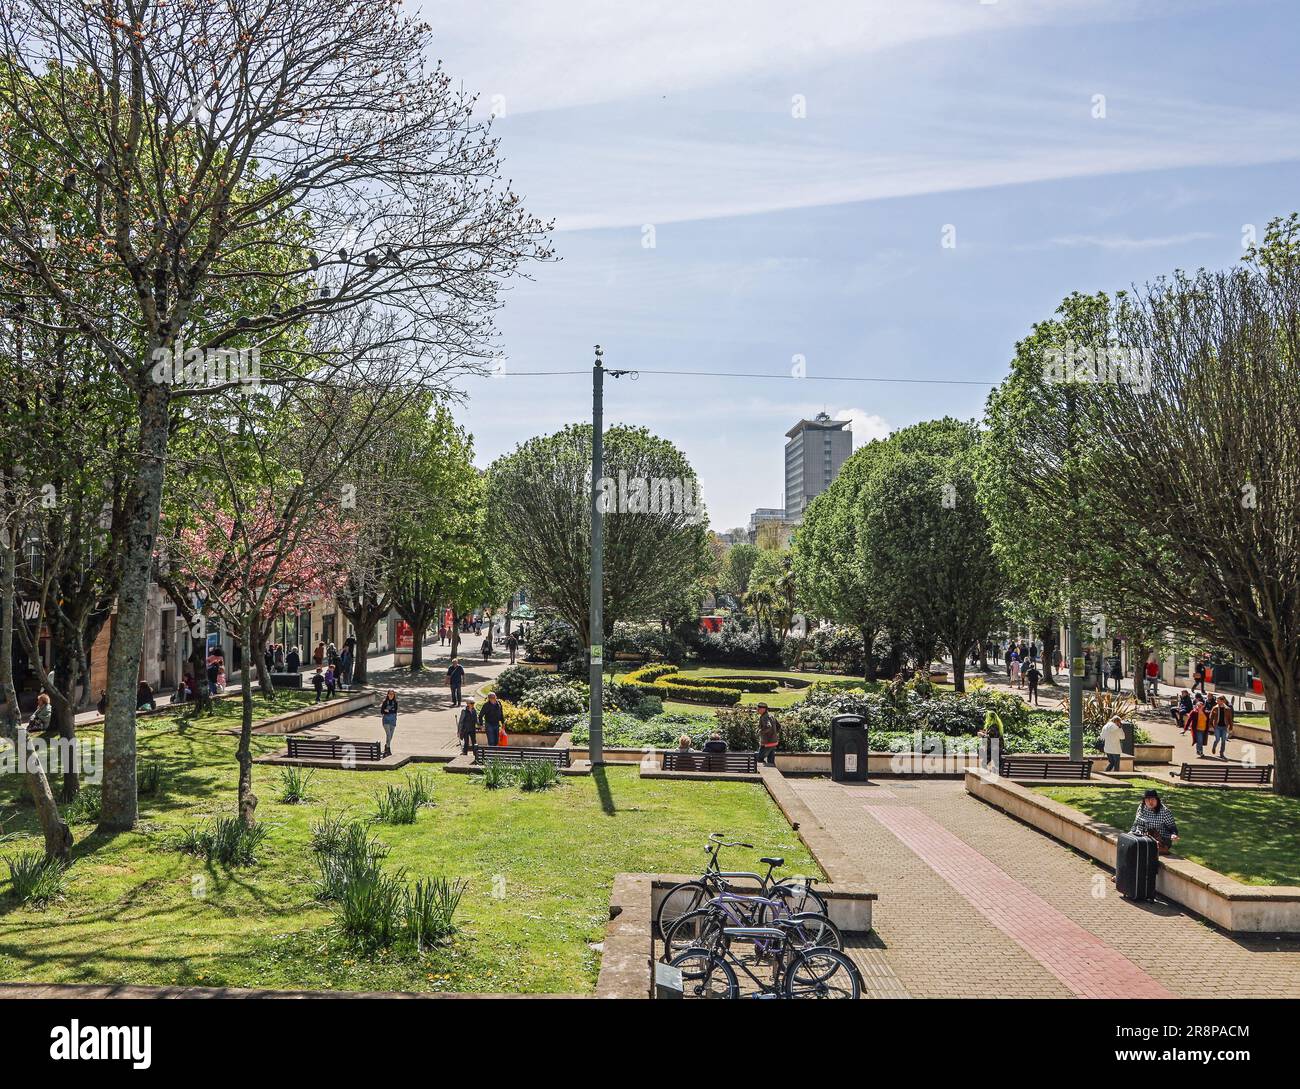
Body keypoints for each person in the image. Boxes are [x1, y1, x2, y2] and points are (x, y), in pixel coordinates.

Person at [1132, 788, 1178, 855]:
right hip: (1142, 836)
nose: (1150, 802)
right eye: (1147, 800)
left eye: (1153, 799)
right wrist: (1131, 832)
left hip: (1161, 839)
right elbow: (1136, 823)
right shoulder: (1141, 807)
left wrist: (1174, 835)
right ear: (1144, 801)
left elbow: (1172, 827)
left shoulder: (1165, 811)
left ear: (1157, 800)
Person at [755, 702, 781, 767]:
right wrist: (774, 734)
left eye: (758, 709)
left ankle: (765, 774)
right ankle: (774, 775)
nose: (757, 710)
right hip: (774, 742)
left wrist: (760, 732)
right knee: (771, 761)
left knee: (759, 758)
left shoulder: (764, 717)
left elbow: (768, 727)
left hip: (767, 743)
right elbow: (779, 726)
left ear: (764, 709)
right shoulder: (771, 716)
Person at [380, 689, 398, 757]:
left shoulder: (395, 702)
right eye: (390, 694)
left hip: (393, 720)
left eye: (392, 694)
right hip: (386, 720)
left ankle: (386, 746)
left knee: (391, 736)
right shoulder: (385, 702)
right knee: (388, 734)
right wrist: (388, 711)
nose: (391, 695)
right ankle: (388, 748)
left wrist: (388, 710)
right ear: (387, 695)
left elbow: (395, 711)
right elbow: (382, 711)